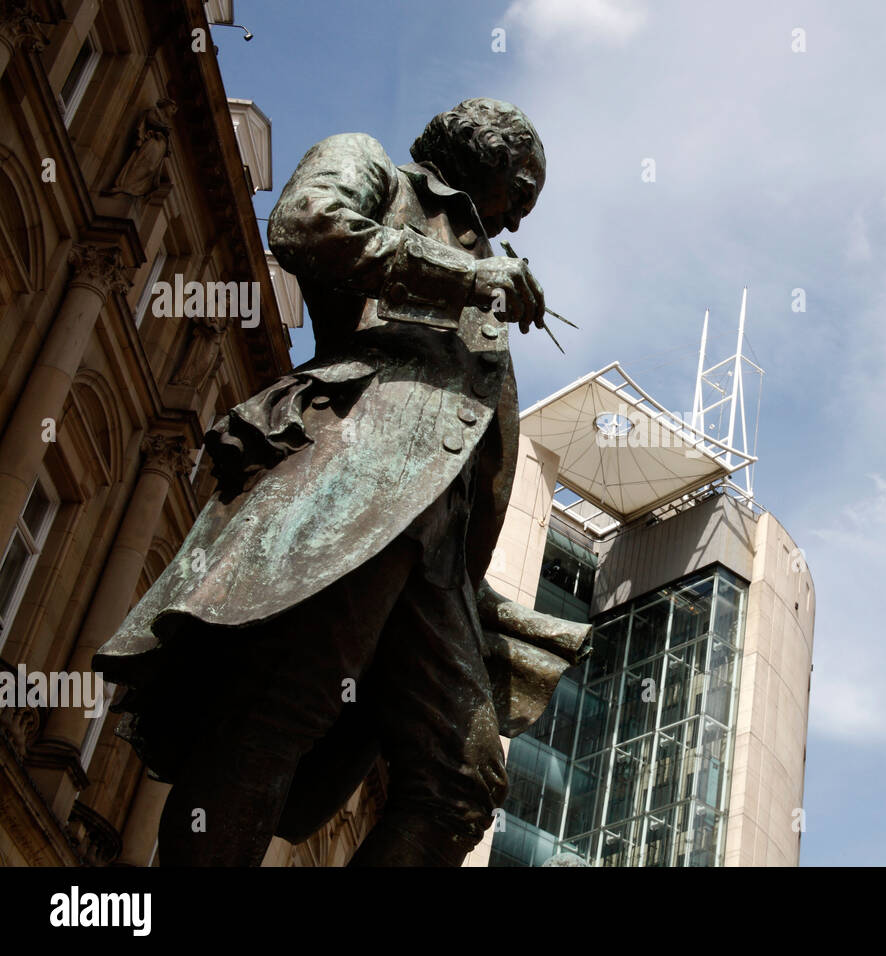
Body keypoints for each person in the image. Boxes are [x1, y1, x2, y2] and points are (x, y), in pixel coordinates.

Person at [94, 98, 589, 866]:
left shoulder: (480, 257)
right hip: (355, 490)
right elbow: (305, 223)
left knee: (461, 781)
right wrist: (468, 275)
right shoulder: (373, 166)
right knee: (283, 706)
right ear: (487, 153)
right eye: (519, 193)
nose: (517, 221)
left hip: (437, 551)